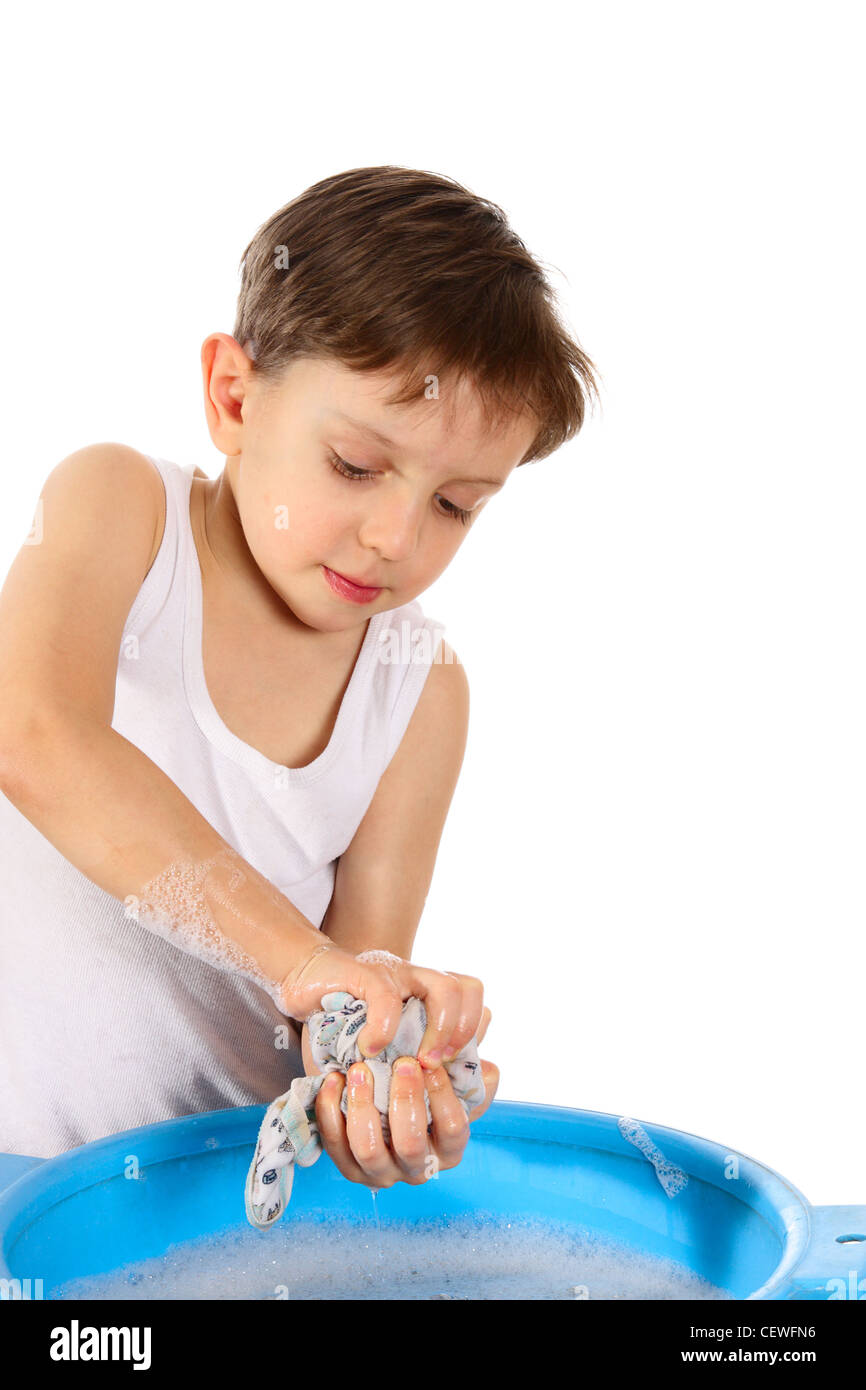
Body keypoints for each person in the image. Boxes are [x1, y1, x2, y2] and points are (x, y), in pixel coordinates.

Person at [0, 166, 598, 1190]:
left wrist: (382, 1084)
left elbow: (336, 1019)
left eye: (455, 505)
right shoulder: (123, 511)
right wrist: (301, 959)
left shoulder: (417, 690)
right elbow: (33, 733)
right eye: (356, 466)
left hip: (211, 1207)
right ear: (233, 397)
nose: (395, 536)